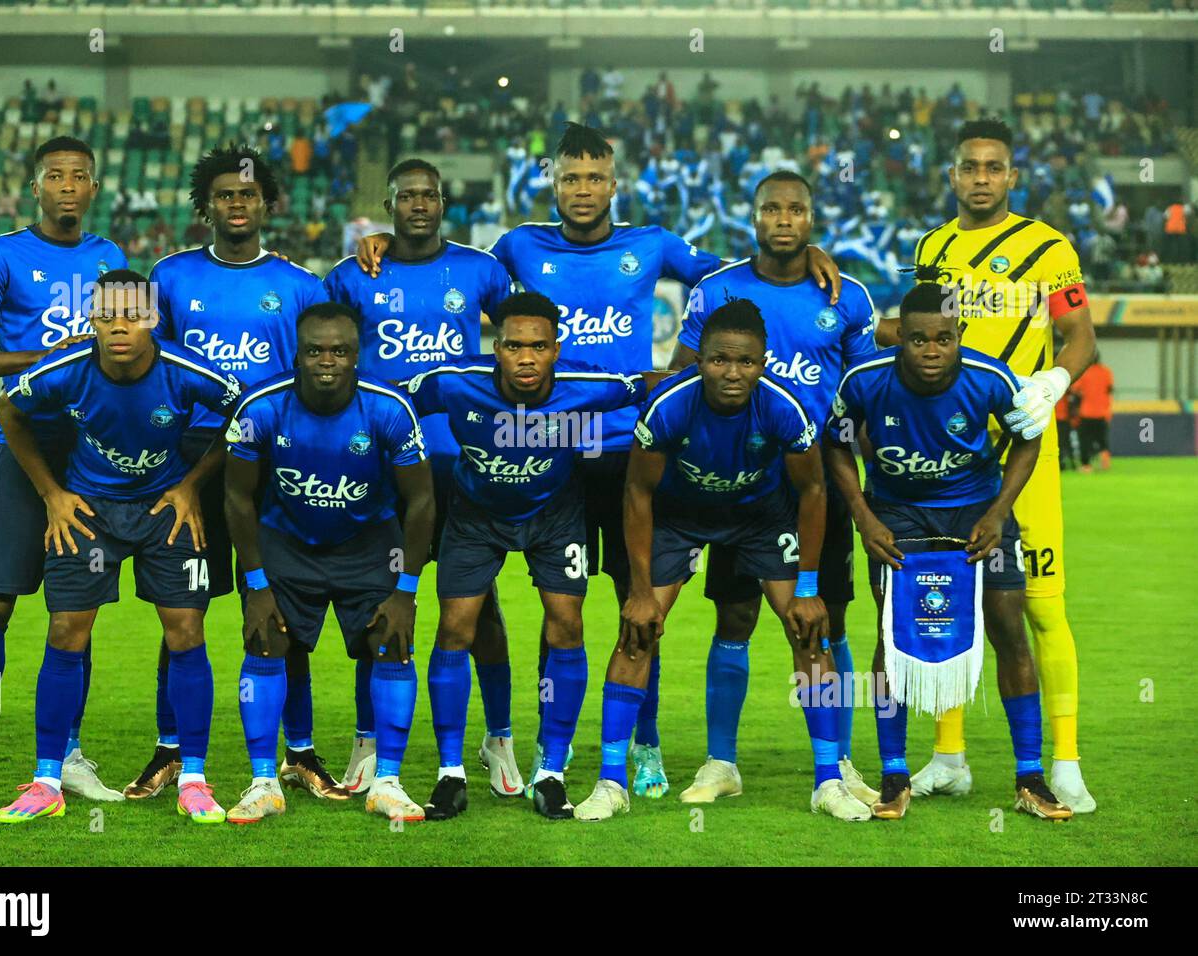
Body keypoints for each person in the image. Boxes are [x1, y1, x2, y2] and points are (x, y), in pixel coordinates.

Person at [353, 124, 843, 798]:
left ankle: (641, 743)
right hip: (538, 447)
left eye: (595, 179)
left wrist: (807, 249)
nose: (583, 191)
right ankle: (509, 741)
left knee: (638, 595)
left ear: (615, 184)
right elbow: (451, 271)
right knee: (526, 605)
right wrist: (389, 243)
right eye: (570, 179)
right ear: (553, 184)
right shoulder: (519, 247)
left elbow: (743, 275)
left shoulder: (653, 246)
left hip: (623, 452)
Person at [576, 299, 871, 822]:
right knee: (638, 629)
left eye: (745, 362)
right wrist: (641, 591)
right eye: (718, 361)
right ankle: (610, 782)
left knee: (808, 631)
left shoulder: (786, 407)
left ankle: (828, 780)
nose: (732, 374)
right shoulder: (668, 404)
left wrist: (807, 587)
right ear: (699, 359)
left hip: (762, 517)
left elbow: (813, 492)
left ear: (763, 362)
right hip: (680, 516)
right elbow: (637, 493)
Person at [877, 118, 1099, 812]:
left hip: (1024, 448)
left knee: (1040, 605)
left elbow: (1080, 335)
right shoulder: (934, 247)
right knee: (944, 601)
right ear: (953, 175)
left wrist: (1053, 383)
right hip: (948, 450)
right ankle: (950, 756)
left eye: (993, 167)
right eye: (969, 166)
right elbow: (923, 333)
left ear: (1011, 175)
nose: (980, 178)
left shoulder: (1048, 247)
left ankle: (1063, 762)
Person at [0, 270, 241, 825]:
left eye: (132, 315)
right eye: (107, 315)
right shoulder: (66, 370)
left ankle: (194, 778)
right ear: (92, 320)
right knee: (65, 633)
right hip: (88, 514)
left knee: (186, 631)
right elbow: (9, 411)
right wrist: (51, 494)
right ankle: (47, 781)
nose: (119, 326)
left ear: (153, 319)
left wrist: (192, 485)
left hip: (164, 511)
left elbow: (241, 415)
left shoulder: (186, 372)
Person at [124, 145, 330, 802]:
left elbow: (319, 380)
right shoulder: (171, 276)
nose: (236, 204)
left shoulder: (302, 287)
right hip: (189, 465)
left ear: (267, 203)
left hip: (275, 467)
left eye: (248, 194)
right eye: (224, 195)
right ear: (205, 205)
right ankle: (171, 749)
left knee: (281, 611)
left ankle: (298, 750)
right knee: (182, 610)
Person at [669, 170, 881, 805]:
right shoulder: (717, 290)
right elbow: (683, 376)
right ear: (752, 216)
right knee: (733, 614)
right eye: (771, 209)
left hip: (819, 483)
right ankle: (720, 763)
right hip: (738, 484)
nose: (783, 220)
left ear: (812, 219)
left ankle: (837, 762)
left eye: (796, 209)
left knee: (825, 621)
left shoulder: (849, 297)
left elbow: (866, 393)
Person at [824, 283, 1071, 821]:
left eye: (943, 339)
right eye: (917, 339)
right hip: (897, 515)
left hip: (976, 514)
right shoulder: (864, 381)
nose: (931, 351)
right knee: (893, 639)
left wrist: (1000, 510)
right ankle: (893, 775)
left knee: (1008, 628)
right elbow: (836, 442)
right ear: (899, 340)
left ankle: (1031, 777)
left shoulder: (991, 378)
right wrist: (864, 516)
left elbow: (1029, 434)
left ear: (958, 336)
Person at [404, 292, 655, 821]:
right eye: (513, 345)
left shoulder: (586, 387)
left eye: (538, 346)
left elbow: (652, 384)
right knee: (454, 628)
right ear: (496, 347)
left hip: (556, 518)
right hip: (474, 516)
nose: (525, 358)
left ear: (556, 349)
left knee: (567, 626)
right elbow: (392, 404)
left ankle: (552, 772)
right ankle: (451, 771)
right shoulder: (451, 382)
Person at [0, 136, 128, 815]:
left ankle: (68, 754)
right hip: (21, 450)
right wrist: (47, 356)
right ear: (35, 188)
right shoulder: (3, 253)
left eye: (81, 175)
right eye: (56, 176)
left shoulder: (112, 259)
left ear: (95, 186)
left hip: (92, 460)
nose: (70, 186)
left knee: (74, 619)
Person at [324, 159, 519, 796]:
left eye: (428, 195)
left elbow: (526, 334)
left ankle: (498, 740)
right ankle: (368, 738)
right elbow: (324, 349)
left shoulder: (481, 270)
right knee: (378, 603)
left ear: (442, 203)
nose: (418, 205)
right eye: (406, 195)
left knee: (479, 606)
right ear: (389, 203)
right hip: (381, 465)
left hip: (463, 463)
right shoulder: (355, 274)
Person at [223, 303, 434, 824]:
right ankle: (264, 782)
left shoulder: (388, 408)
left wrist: (405, 591)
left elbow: (423, 501)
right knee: (266, 641)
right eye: (315, 351)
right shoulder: (260, 407)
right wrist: (255, 585)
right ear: (296, 354)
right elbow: (236, 497)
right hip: (286, 542)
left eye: (339, 351)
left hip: (368, 542)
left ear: (357, 356)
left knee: (390, 644)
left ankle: (387, 782)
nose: (327, 362)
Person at [1072, 353, 1113, 472]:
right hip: (1102, 412)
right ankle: (1105, 463)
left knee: (1085, 440)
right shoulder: (1106, 372)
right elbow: (1110, 389)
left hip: (1086, 412)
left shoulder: (1084, 372)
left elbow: (1075, 389)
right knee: (1102, 439)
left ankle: (1086, 466)